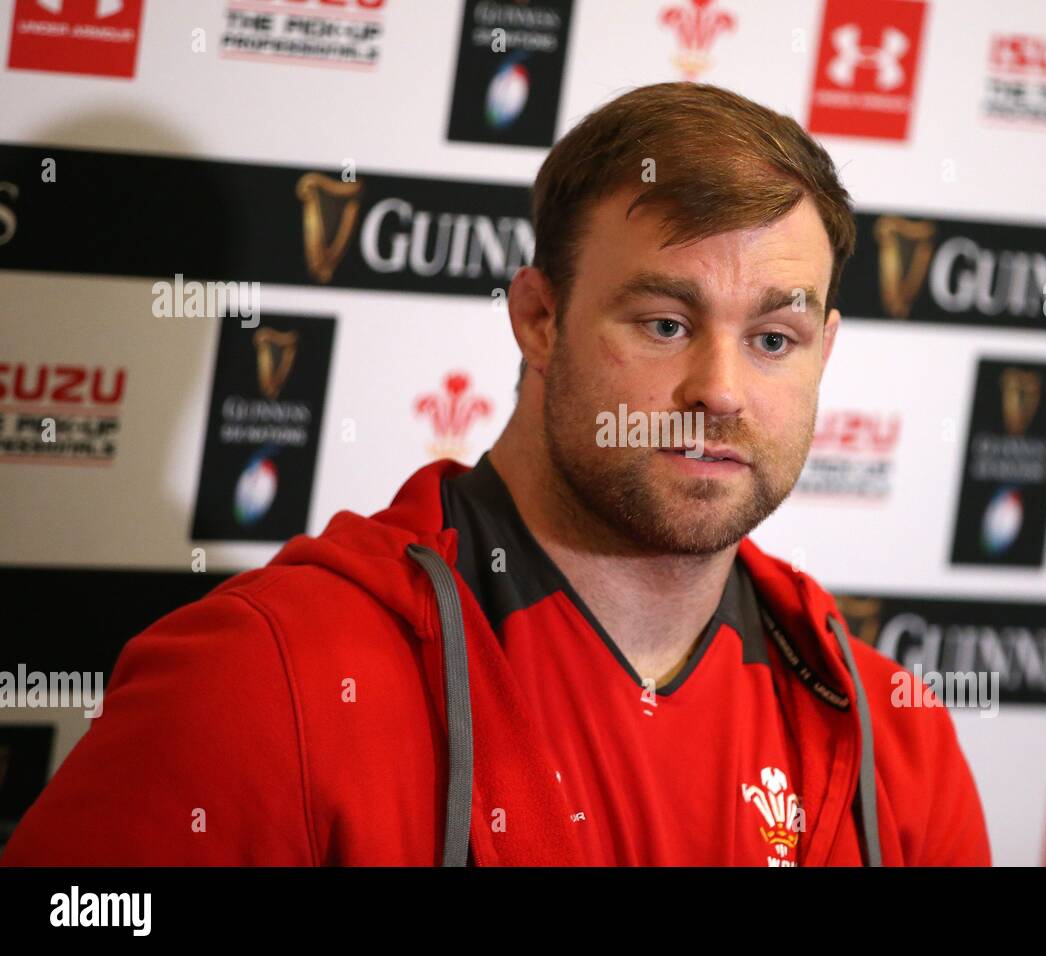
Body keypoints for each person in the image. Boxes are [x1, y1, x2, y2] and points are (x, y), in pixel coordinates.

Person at [1, 82, 990, 866]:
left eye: (772, 337)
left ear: (824, 348)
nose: (721, 389)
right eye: (663, 323)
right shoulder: (268, 681)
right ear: (539, 318)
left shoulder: (887, 741)